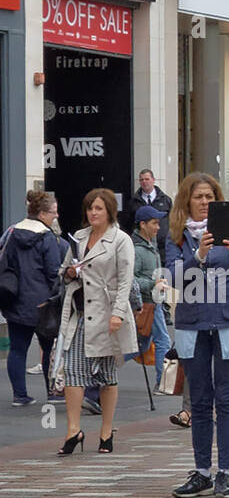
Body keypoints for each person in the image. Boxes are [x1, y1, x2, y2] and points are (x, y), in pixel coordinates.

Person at [163, 173, 229, 498]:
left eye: (210, 197)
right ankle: (202, 472)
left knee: (226, 399)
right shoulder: (176, 236)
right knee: (200, 401)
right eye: (199, 197)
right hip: (192, 324)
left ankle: (225, 473)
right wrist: (198, 255)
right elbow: (173, 277)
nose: (204, 203)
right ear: (186, 200)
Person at [52, 189, 136, 455]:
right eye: (90, 209)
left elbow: (125, 280)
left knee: (106, 375)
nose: (93, 213)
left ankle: (106, 430)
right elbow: (64, 272)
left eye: (98, 208)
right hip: (79, 313)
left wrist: (118, 313)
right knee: (73, 372)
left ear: (109, 210)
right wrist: (69, 272)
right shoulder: (78, 237)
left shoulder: (120, 240)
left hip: (106, 312)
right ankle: (73, 430)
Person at [3, 190, 67, 406]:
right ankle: (52, 392)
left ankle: (19, 395)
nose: (55, 216)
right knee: (49, 348)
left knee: (17, 348)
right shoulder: (47, 237)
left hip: (15, 299)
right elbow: (53, 271)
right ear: (42, 213)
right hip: (43, 303)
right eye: (53, 212)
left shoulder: (12, 232)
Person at [125, 205, 171, 388]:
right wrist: (153, 284)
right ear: (142, 224)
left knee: (141, 345)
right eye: (154, 223)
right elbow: (130, 279)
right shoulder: (138, 248)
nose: (158, 227)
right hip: (146, 303)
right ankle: (163, 383)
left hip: (152, 301)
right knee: (162, 340)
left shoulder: (149, 245)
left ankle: (108, 364)